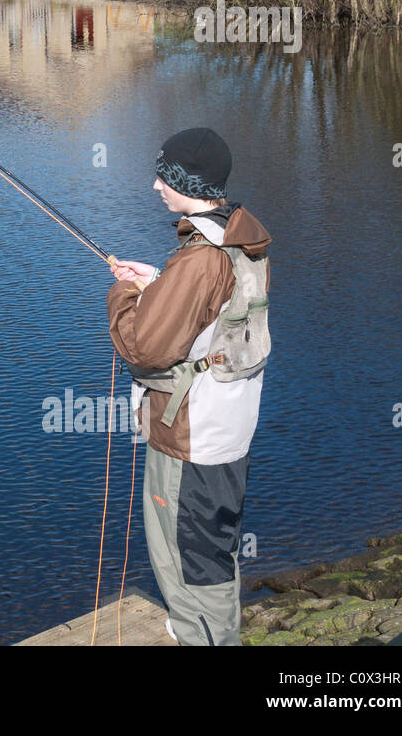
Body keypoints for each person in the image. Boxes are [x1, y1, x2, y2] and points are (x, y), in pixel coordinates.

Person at [107, 128, 271, 646]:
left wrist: (123, 295)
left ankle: (203, 639)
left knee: (186, 568)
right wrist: (158, 282)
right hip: (230, 433)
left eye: (164, 176)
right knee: (211, 555)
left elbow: (144, 348)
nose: (155, 185)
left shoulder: (200, 259)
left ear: (188, 182)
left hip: (189, 439)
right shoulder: (240, 240)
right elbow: (214, 317)